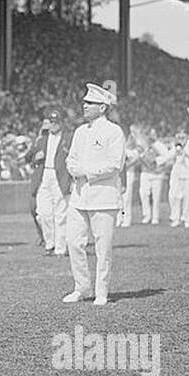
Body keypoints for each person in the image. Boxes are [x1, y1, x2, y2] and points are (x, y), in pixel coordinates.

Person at [63, 83, 125, 306]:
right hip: (80, 195)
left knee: (102, 247)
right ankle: (81, 286)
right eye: (85, 102)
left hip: (104, 196)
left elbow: (115, 164)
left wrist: (87, 173)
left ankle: (101, 291)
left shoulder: (113, 131)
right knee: (73, 241)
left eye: (90, 103)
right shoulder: (80, 132)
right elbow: (71, 159)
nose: (84, 105)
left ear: (102, 108)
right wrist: (74, 170)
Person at [30, 109, 72, 255]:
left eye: (56, 122)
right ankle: (50, 243)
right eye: (51, 122)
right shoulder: (42, 140)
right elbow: (30, 158)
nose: (53, 125)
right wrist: (36, 157)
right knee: (43, 213)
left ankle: (60, 248)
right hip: (44, 175)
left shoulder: (68, 138)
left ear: (61, 123)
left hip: (59, 176)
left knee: (61, 214)